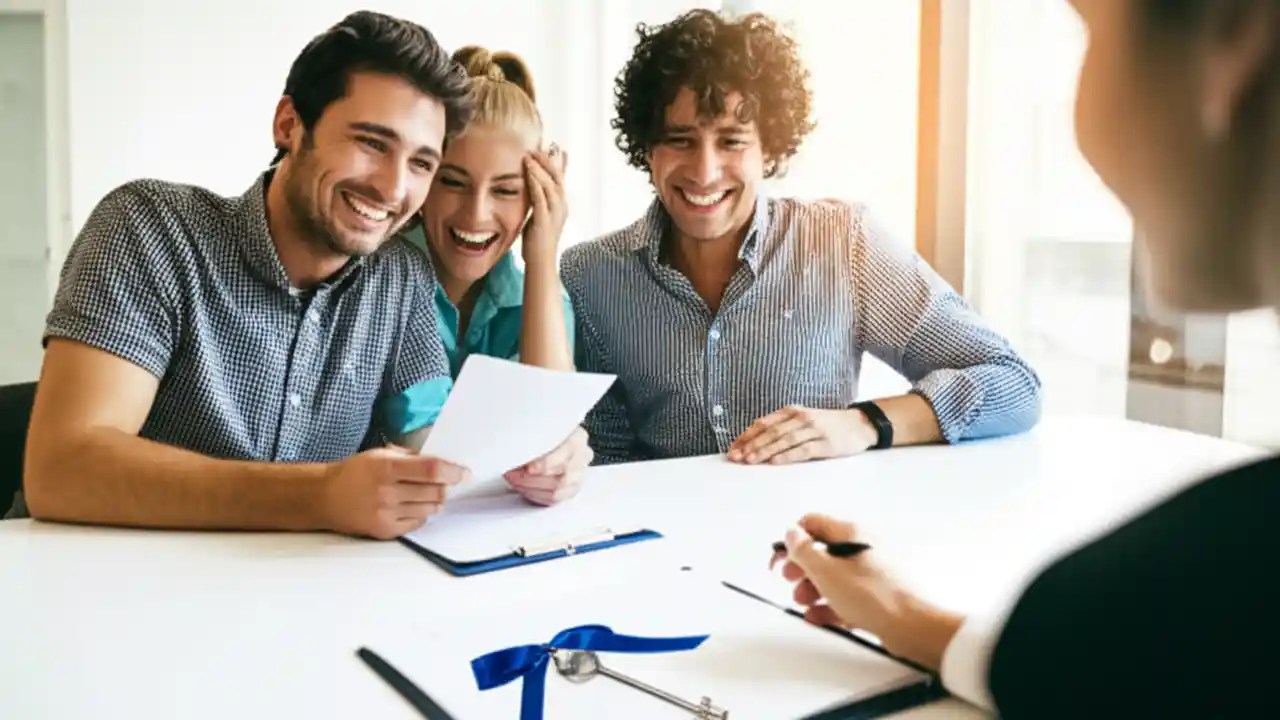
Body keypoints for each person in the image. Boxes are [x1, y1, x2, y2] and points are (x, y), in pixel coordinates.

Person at [775, 0, 1280, 716]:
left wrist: (865, 422)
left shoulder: (1189, 583)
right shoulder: (1194, 613)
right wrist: (899, 611)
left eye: (1089, 29)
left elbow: (1010, 382)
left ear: (1237, 33)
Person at [17, 11, 590, 535]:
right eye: (371, 143)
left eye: (420, 163)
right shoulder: (154, 229)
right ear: (290, 124)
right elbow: (64, 468)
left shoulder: (400, 278)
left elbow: (440, 451)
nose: (392, 189)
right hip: (93, 589)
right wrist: (317, 496)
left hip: (290, 603)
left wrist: (541, 460)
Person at [560, 10, 1042, 466]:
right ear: (648, 149)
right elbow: (605, 464)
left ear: (769, 148)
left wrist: (864, 424)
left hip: (808, 542)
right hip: (665, 545)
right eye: (680, 140)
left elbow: (1013, 383)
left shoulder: (842, 243)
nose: (705, 172)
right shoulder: (591, 276)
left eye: (732, 141)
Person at [390, 46, 585, 506]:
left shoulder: (538, 297)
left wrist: (542, 253)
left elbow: (548, 426)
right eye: (453, 182)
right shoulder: (385, 280)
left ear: (536, 198)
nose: (477, 215)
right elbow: (423, 445)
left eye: (505, 190)